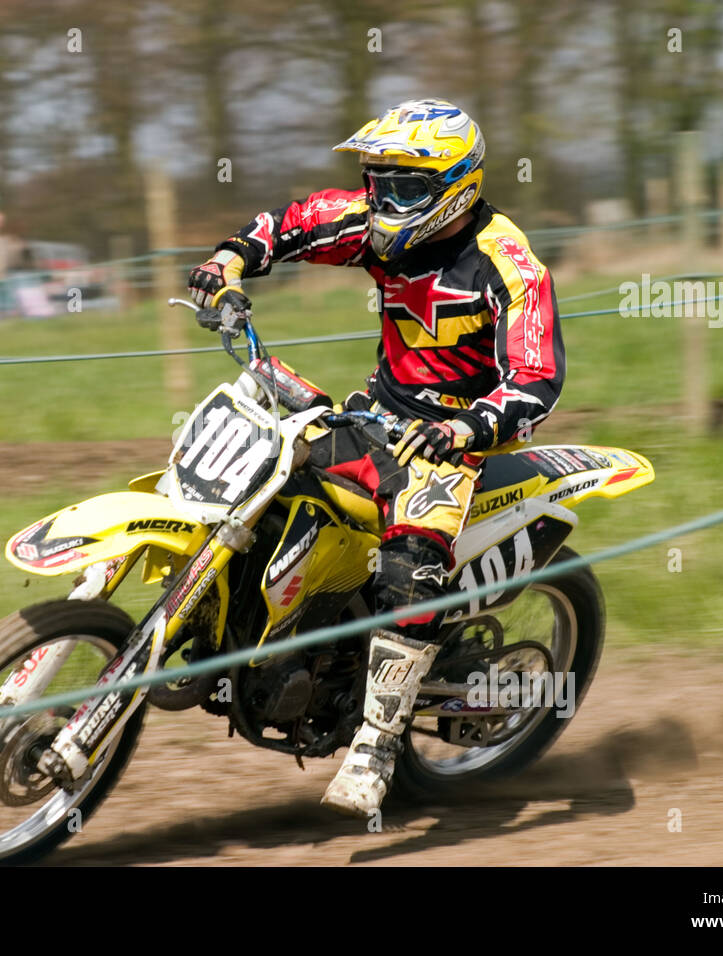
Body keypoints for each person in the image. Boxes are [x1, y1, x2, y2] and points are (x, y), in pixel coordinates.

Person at [185, 99, 564, 818]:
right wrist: (226, 261)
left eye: (404, 186)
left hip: (452, 442)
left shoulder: (508, 263)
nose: (385, 198)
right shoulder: (374, 222)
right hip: (373, 415)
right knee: (262, 472)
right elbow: (293, 224)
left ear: (456, 185)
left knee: (411, 560)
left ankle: (376, 746)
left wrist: (466, 428)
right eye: (378, 181)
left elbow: (535, 378)